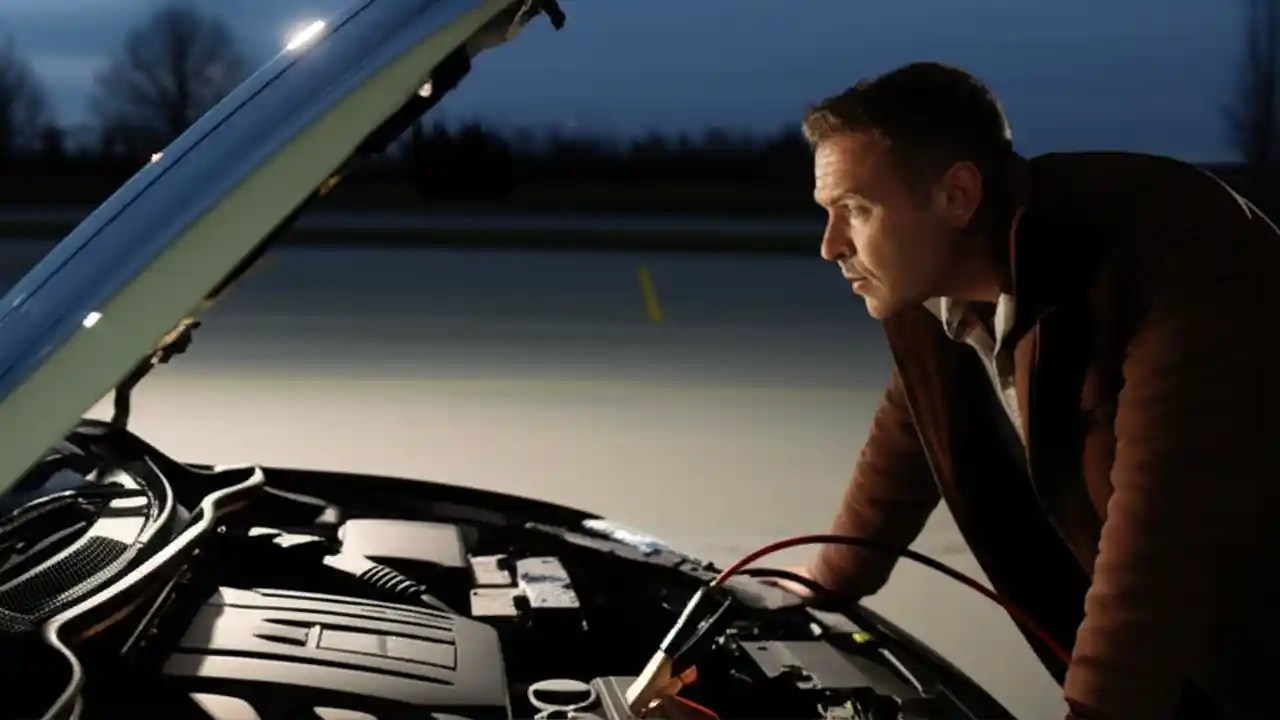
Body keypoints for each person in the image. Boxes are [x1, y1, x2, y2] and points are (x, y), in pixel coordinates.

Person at [789, 62, 1280, 720]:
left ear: (957, 195)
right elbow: (913, 429)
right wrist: (818, 586)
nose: (829, 247)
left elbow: (1163, 533)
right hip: (1187, 648)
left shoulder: (1170, 251)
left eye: (854, 209)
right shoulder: (939, 283)